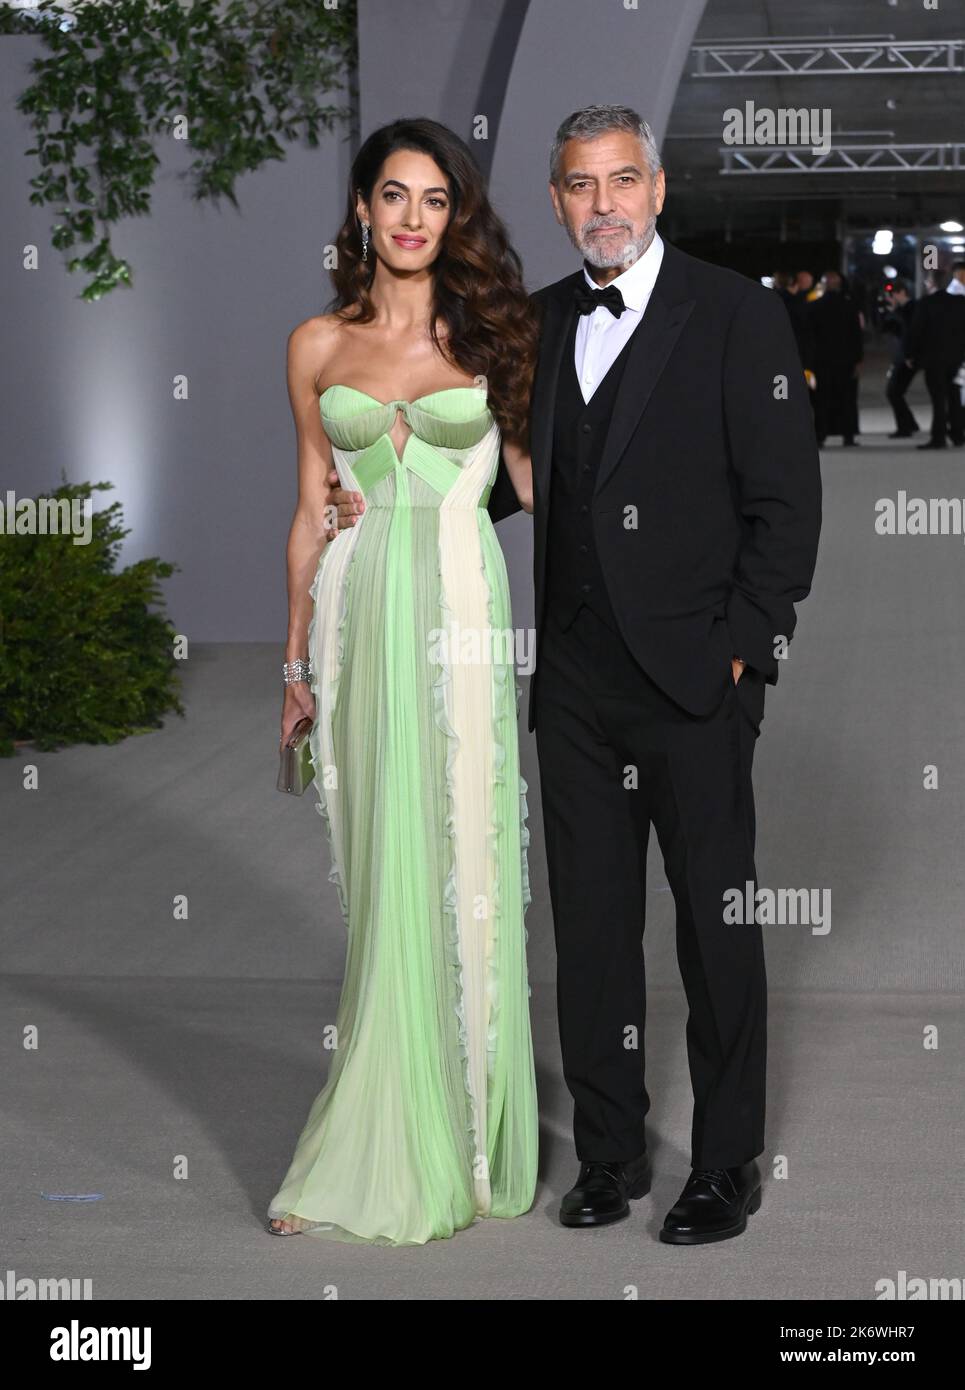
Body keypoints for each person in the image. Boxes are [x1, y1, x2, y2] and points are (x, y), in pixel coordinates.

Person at [331, 104, 822, 1245]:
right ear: (553, 202)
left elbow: (785, 506)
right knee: (591, 932)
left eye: (620, 181)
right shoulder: (534, 324)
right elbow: (499, 482)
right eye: (577, 186)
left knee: (714, 927)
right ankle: (607, 1156)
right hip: (572, 688)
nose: (600, 204)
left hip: (697, 680)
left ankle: (726, 1163)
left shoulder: (736, 315)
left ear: (656, 190)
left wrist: (744, 646)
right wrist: (380, 490)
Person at [267, 118, 539, 1245]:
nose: (414, 218)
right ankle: (368, 1132)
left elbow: (541, 491)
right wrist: (293, 661)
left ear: (456, 217)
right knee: (382, 871)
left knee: (462, 856)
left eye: (434, 200)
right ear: (363, 209)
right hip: (357, 612)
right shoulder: (315, 345)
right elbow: (306, 508)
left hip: (462, 618)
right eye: (394, 196)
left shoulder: (496, 341)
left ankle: (468, 1135)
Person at [906, 269, 965, 449]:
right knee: (954, 395)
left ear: (932, 283)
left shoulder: (926, 303)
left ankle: (938, 436)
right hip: (955, 358)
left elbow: (917, 331)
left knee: (938, 398)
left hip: (933, 358)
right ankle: (957, 434)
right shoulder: (961, 302)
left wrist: (910, 354)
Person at [808, 270, 863, 446]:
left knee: (821, 400)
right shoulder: (849, 306)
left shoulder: (814, 307)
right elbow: (856, 336)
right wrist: (858, 359)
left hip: (822, 360)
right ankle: (848, 436)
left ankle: (820, 436)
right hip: (845, 360)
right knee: (847, 399)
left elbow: (810, 337)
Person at [881, 280, 920, 439]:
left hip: (907, 357)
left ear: (901, 292)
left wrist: (911, 355)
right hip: (903, 356)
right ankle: (910, 424)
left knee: (894, 391)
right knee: (896, 391)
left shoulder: (911, 309)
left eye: (893, 294)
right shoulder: (903, 309)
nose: (891, 298)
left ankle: (905, 427)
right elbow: (888, 328)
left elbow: (910, 333)